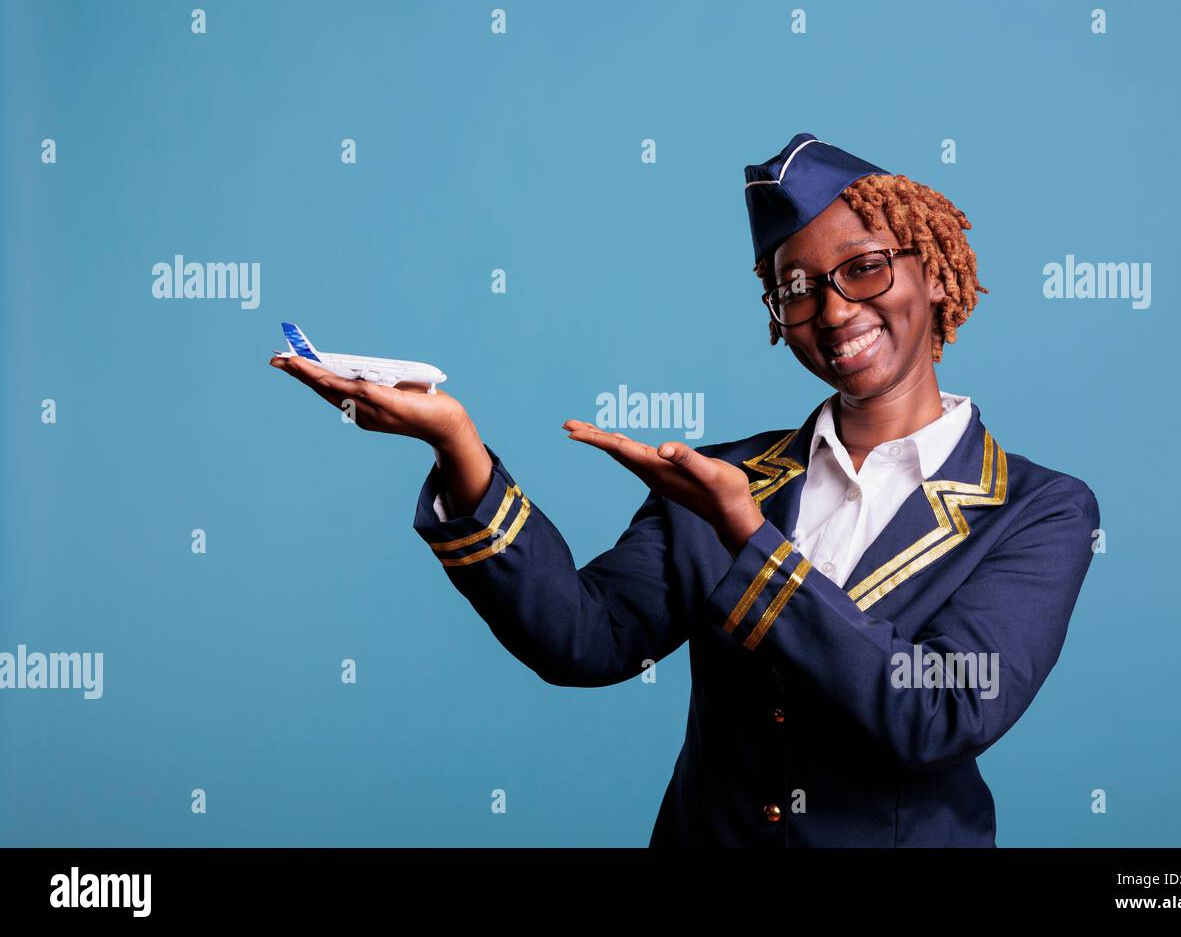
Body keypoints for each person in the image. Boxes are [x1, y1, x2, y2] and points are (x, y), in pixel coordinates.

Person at [270, 132, 1101, 847]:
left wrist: (750, 539)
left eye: (866, 268)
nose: (834, 308)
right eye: (797, 288)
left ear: (937, 272)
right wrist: (457, 445)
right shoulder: (720, 479)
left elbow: (940, 713)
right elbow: (585, 642)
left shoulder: (1039, 510)